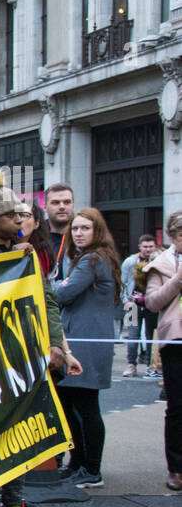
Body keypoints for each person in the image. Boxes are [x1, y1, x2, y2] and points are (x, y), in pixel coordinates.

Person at [0, 169, 80, 507]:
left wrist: (59, 345)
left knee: (20, 434)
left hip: (27, 358)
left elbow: (47, 301)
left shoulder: (27, 256)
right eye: (10, 215)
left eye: (21, 214)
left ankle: (16, 504)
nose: (20, 220)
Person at [53, 208, 121, 489]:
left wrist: (52, 285)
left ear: (97, 231)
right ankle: (78, 463)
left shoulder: (93, 259)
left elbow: (61, 294)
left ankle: (91, 469)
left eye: (85, 228)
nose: (79, 234)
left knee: (85, 408)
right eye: (75, 229)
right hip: (81, 342)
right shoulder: (90, 259)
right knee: (71, 406)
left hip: (86, 344)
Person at [143, 212, 182, 490]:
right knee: (178, 407)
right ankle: (176, 469)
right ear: (172, 236)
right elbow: (153, 302)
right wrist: (178, 280)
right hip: (176, 342)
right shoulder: (163, 264)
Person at [121, 234, 158, 378]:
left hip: (151, 304)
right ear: (140, 247)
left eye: (151, 246)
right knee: (132, 335)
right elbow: (122, 283)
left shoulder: (158, 260)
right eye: (145, 246)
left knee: (151, 336)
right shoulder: (130, 262)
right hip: (133, 304)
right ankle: (131, 365)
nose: (148, 249)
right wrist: (125, 301)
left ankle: (150, 366)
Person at [44, 182, 76, 281]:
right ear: (45, 207)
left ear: (73, 205)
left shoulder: (86, 235)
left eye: (67, 202)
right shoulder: (34, 235)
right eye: (55, 202)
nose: (62, 206)